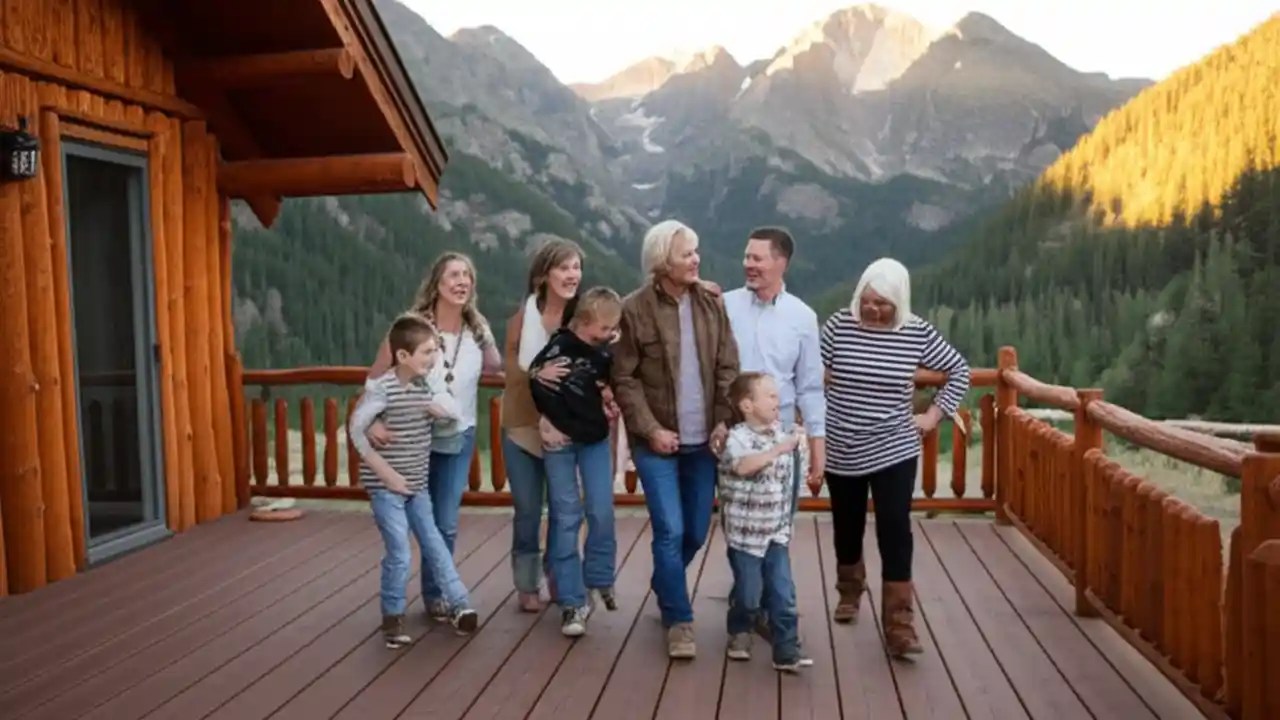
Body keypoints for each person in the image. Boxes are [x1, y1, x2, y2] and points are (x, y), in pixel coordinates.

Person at [820, 257, 970, 657]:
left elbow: (959, 370)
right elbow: (811, 370)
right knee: (846, 524)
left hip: (895, 445)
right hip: (842, 443)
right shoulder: (838, 326)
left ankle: (900, 624)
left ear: (899, 302)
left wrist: (933, 415)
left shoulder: (916, 331)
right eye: (867, 301)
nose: (872, 310)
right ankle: (849, 591)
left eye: (883, 304)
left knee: (895, 528)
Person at [612, 219, 739, 659]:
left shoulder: (710, 303)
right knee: (669, 530)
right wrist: (651, 429)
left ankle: (665, 582)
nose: (696, 259)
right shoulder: (634, 309)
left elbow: (728, 367)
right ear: (663, 260)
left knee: (697, 531)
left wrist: (724, 420)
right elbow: (623, 378)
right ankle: (679, 620)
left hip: (704, 442)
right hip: (656, 443)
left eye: (696, 252)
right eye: (687, 253)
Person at [364, 252, 502, 621]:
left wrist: (484, 330)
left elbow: (496, 367)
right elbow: (377, 377)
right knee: (415, 520)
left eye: (467, 276)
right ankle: (404, 599)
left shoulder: (476, 330)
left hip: (459, 434)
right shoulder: (412, 327)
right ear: (436, 283)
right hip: (414, 437)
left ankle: (434, 593)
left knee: (447, 521)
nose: (462, 282)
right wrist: (373, 420)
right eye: (454, 275)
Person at [722, 226, 823, 661]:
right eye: (746, 256)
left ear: (781, 262)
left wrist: (817, 448)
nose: (749, 264)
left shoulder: (802, 317)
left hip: (784, 447)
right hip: (735, 441)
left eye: (758, 258)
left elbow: (811, 389)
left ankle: (760, 614)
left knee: (776, 534)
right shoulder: (723, 306)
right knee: (741, 531)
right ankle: (746, 611)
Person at [348, 314, 481, 648]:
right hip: (386, 489)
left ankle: (460, 604)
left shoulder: (427, 386)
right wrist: (385, 473)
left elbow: (454, 407)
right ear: (403, 356)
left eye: (435, 351)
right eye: (426, 352)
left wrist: (442, 410)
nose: (433, 358)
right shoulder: (384, 390)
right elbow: (355, 429)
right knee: (400, 553)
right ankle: (392, 620)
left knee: (435, 544)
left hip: (417, 487)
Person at [529, 287, 624, 636]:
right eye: (606, 327)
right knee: (566, 515)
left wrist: (610, 395)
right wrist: (546, 411)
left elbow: (610, 381)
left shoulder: (604, 354)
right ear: (585, 322)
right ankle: (572, 601)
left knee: (601, 508)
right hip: (559, 442)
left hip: (594, 440)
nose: (611, 333)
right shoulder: (559, 347)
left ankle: (600, 577)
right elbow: (536, 380)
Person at [501, 238, 583, 611]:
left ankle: (558, 574)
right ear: (544, 276)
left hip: (566, 432)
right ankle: (526, 582)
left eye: (576, 267)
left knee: (565, 512)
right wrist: (540, 373)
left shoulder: (582, 317)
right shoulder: (523, 318)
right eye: (564, 267)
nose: (572, 275)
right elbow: (514, 374)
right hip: (522, 427)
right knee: (528, 510)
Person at [718, 372, 807, 672]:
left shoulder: (784, 436)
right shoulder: (736, 438)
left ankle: (786, 651)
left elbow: (794, 477)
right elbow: (743, 466)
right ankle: (740, 628)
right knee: (749, 594)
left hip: (777, 532)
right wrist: (777, 451)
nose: (776, 400)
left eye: (776, 395)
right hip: (745, 535)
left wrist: (799, 447)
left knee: (784, 592)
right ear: (746, 405)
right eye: (769, 395)